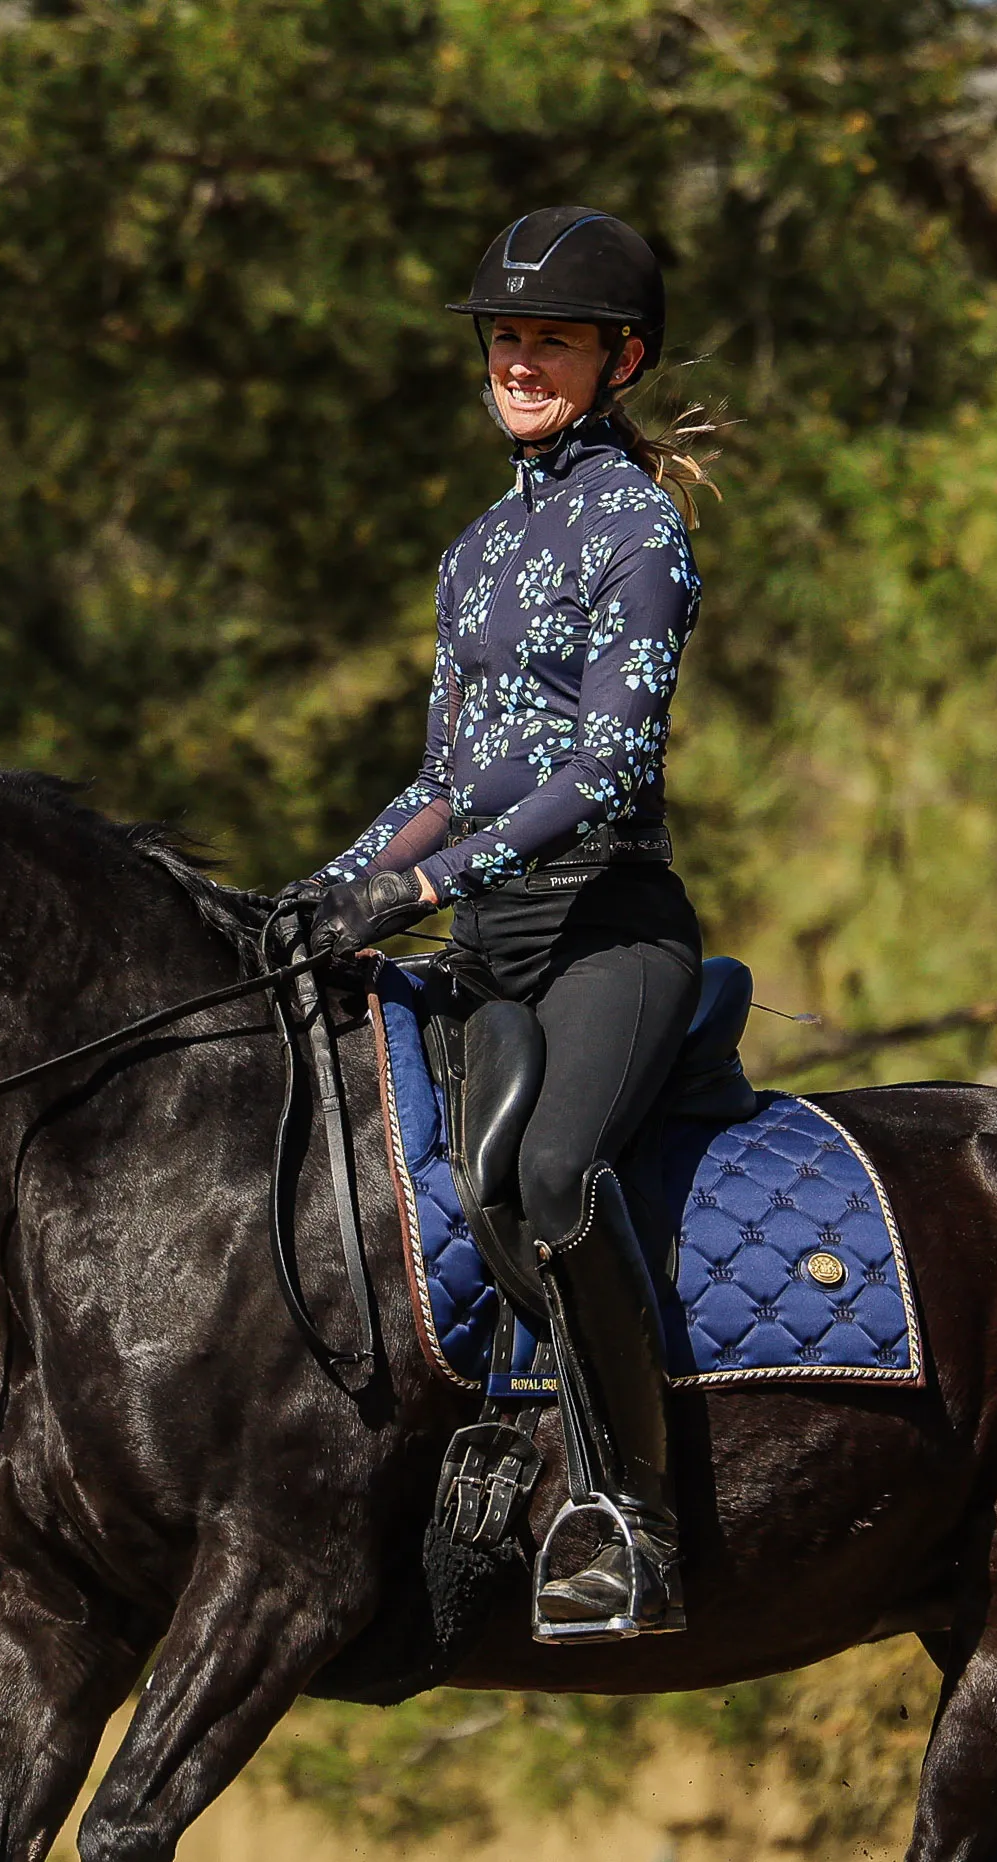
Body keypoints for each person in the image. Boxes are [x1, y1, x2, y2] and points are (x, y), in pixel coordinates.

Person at [282, 205, 711, 1640]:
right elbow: (442, 782)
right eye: (506, 338)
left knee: (555, 1170)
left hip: (609, 935)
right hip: (490, 938)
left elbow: (607, 771)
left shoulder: (639, 527)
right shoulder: (477, 548)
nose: (519, 364)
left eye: (554, 342)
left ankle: (635, 1525)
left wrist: (417, 888)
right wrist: (331, 890)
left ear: (621, 361)